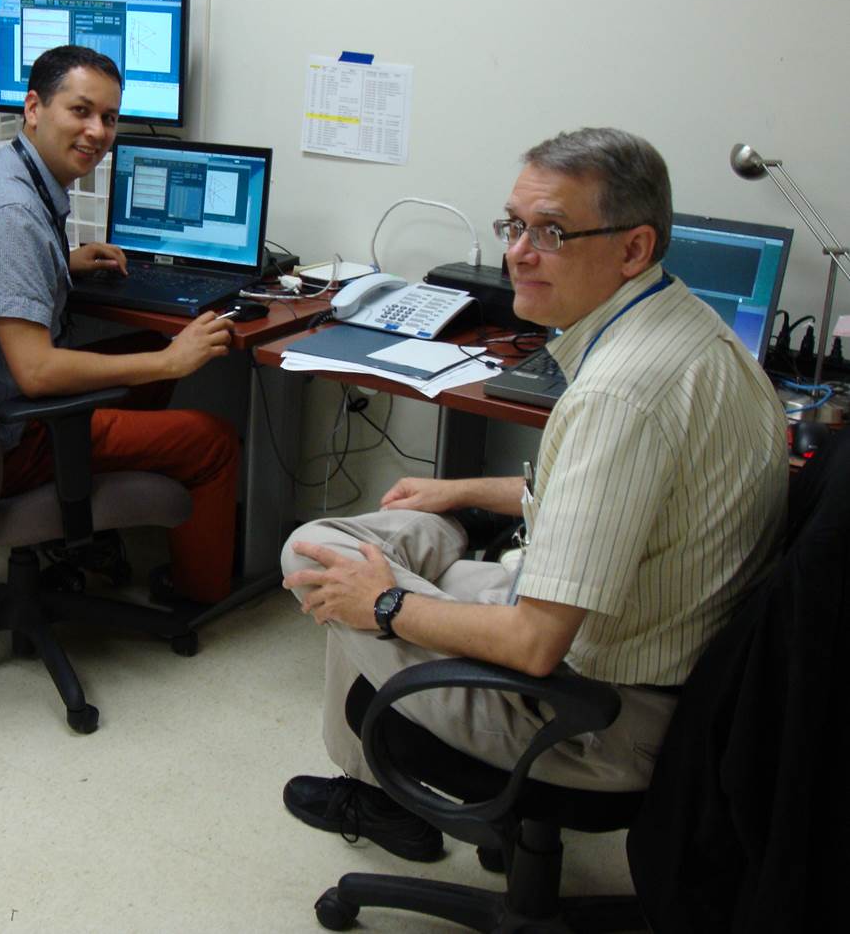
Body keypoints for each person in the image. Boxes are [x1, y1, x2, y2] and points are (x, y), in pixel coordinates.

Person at [279, 127, 787, 862]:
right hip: (665, 669)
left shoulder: (620, 394)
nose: (519, 251)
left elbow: (533, 642)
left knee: (318, 554)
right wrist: (460, 490)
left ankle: (376, 789)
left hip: (592, 717)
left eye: (551, 231)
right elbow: (619, 494)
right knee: (400, 545)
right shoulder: (691, 331)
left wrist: (388, 604)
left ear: (634, 248)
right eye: (514, 226)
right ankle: (385, 745)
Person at [0, 45, 240, 604]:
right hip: (11, 434)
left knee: (151, 345)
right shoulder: (13, 215)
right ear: (33, 108)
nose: (97, 131)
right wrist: (171, 360)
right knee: (212, 441)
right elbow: (36, 373)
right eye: (81, 111)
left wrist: (60, 263)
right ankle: (199, 599)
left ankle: (89, 527)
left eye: (110, 117)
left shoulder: (10, 170)